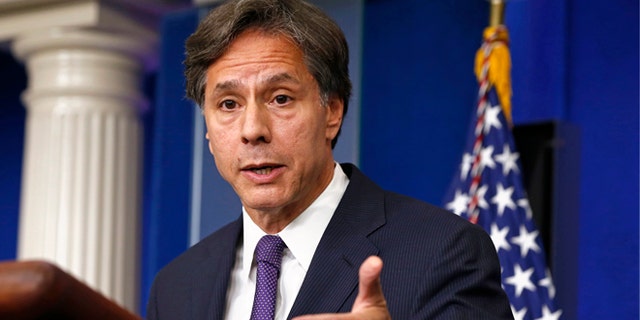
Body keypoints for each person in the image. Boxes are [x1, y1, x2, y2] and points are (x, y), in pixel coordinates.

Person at [147, 0, 514, 319]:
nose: (253, 130)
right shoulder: (177, 286)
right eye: (228, 104)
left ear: (332, 111)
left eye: (281, 98)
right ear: (208, 130)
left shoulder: (443, 253)